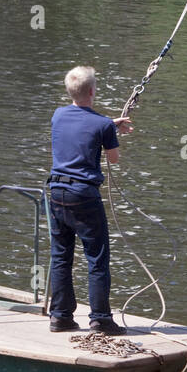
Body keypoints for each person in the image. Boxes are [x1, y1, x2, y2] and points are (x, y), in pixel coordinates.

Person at [47, 65, 134, 334]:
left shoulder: (58, 115)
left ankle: (60, 316)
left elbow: (83, 127)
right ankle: (100, 319)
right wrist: (110, 130)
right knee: (96, 258)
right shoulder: (102, 125)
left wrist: (109, 126)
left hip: (56, 193)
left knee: (61, 257)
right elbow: (113, 158)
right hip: (84, 196)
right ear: (94, 91)